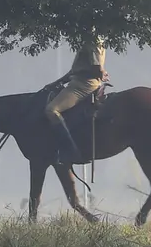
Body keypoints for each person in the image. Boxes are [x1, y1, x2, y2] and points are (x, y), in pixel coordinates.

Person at [42, 34, 107, 165]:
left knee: (51, 110)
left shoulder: (92, 40)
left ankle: (70, 151)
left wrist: (101, 73)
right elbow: (75, 71)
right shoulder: (87, 38)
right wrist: (57, 82)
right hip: (78, 81)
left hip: (83, 85)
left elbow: (97, 67)